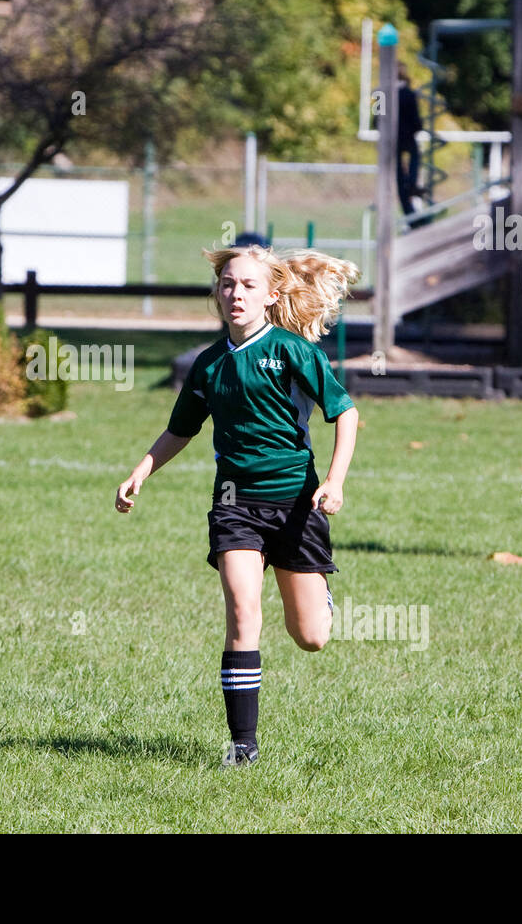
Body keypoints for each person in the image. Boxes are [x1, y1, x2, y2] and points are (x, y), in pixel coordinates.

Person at [115, 244, 360, 768]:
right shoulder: (208, 365)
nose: (236, 294)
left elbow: (346, 413)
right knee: (243, 612)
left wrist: (334, 482)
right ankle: (242, 747)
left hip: (297, 501)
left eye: (248, 285)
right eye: (228, 284)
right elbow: (181, 429)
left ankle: (322, 598)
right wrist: (141, 469)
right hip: (234, 505)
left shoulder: (294, 352)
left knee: (311, 637)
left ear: (272, 295)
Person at [397, 67, 423, 216]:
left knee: (399, 177)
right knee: (414, 156)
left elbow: (378, 118)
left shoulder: (380, 93)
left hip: (391, 142)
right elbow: (416, 122)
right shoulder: (408, 94)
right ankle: (412, 183)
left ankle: (409, 211)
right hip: (406, 137)